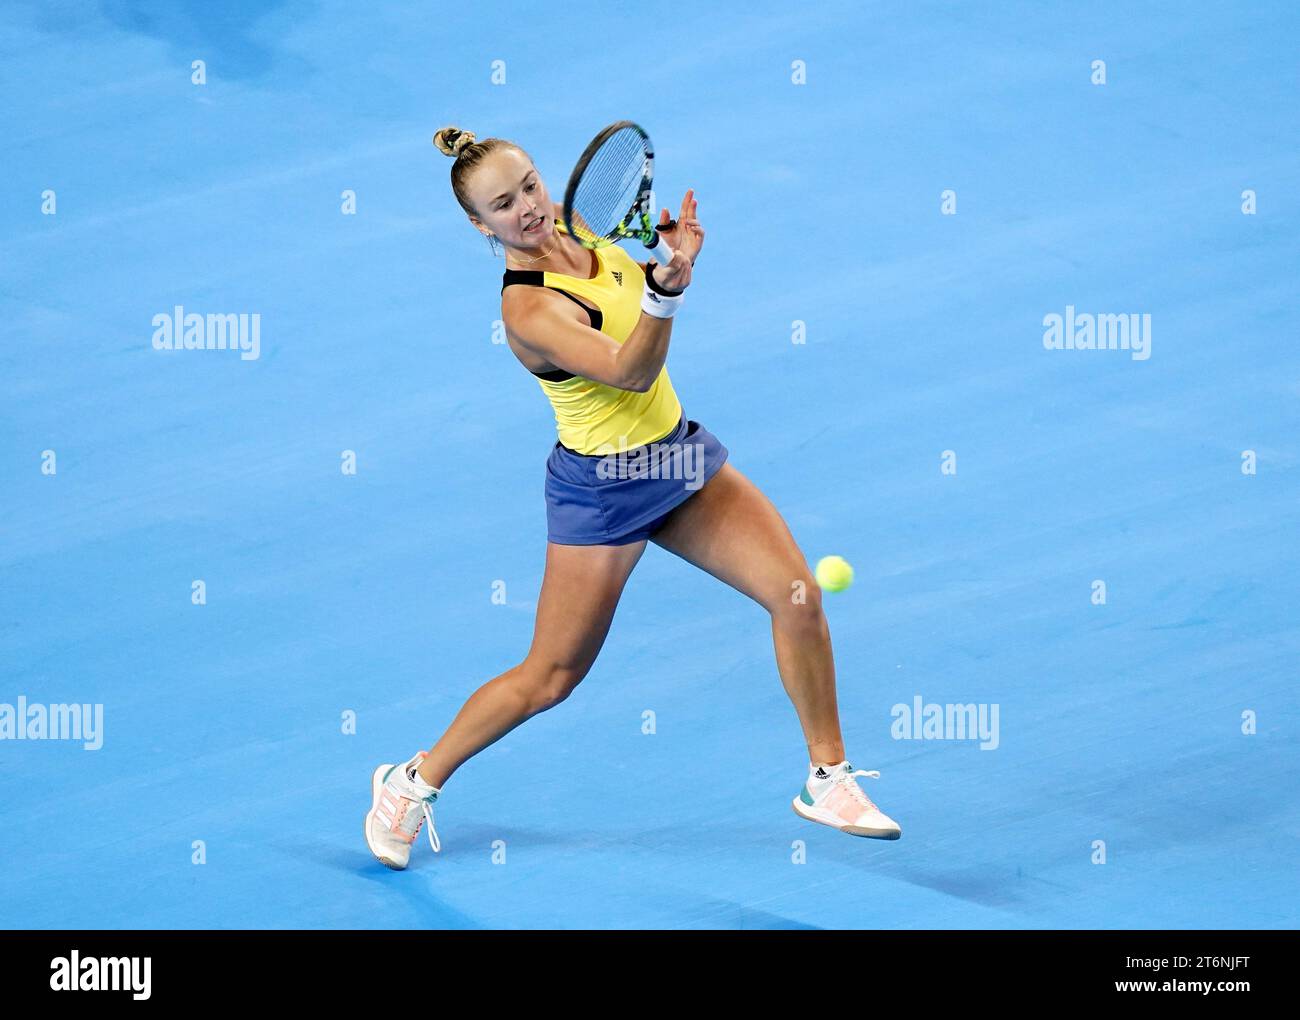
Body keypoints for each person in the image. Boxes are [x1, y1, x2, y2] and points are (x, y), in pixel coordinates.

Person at [363, 125, 901, 870]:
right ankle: (414, 780)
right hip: (602, 494)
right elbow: (629, 373)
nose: (527, 209)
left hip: (677, 458)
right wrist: (666, 294)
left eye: (529, 188)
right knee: (550, 679)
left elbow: (638, 258)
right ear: (478, 225)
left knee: (797, 594)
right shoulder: (527, 312)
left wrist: (673, 250)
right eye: (502, 206)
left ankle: (828, 777)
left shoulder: (585, 230)